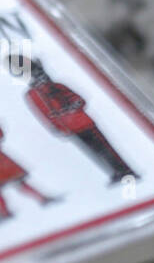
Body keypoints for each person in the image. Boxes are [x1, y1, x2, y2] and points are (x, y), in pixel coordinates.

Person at [19, 55, 136, 184]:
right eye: (34, 75)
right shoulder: (32, 95)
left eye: (38, 74)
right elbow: (43, 114)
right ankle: (116, 172)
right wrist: (56, 126)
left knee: (106, 148)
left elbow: (79, 100)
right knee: (94, 152)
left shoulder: (57, 86)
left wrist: (71, 108)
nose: (38, 78)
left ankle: (126, 171)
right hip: (69, 128)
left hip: (83, 122)